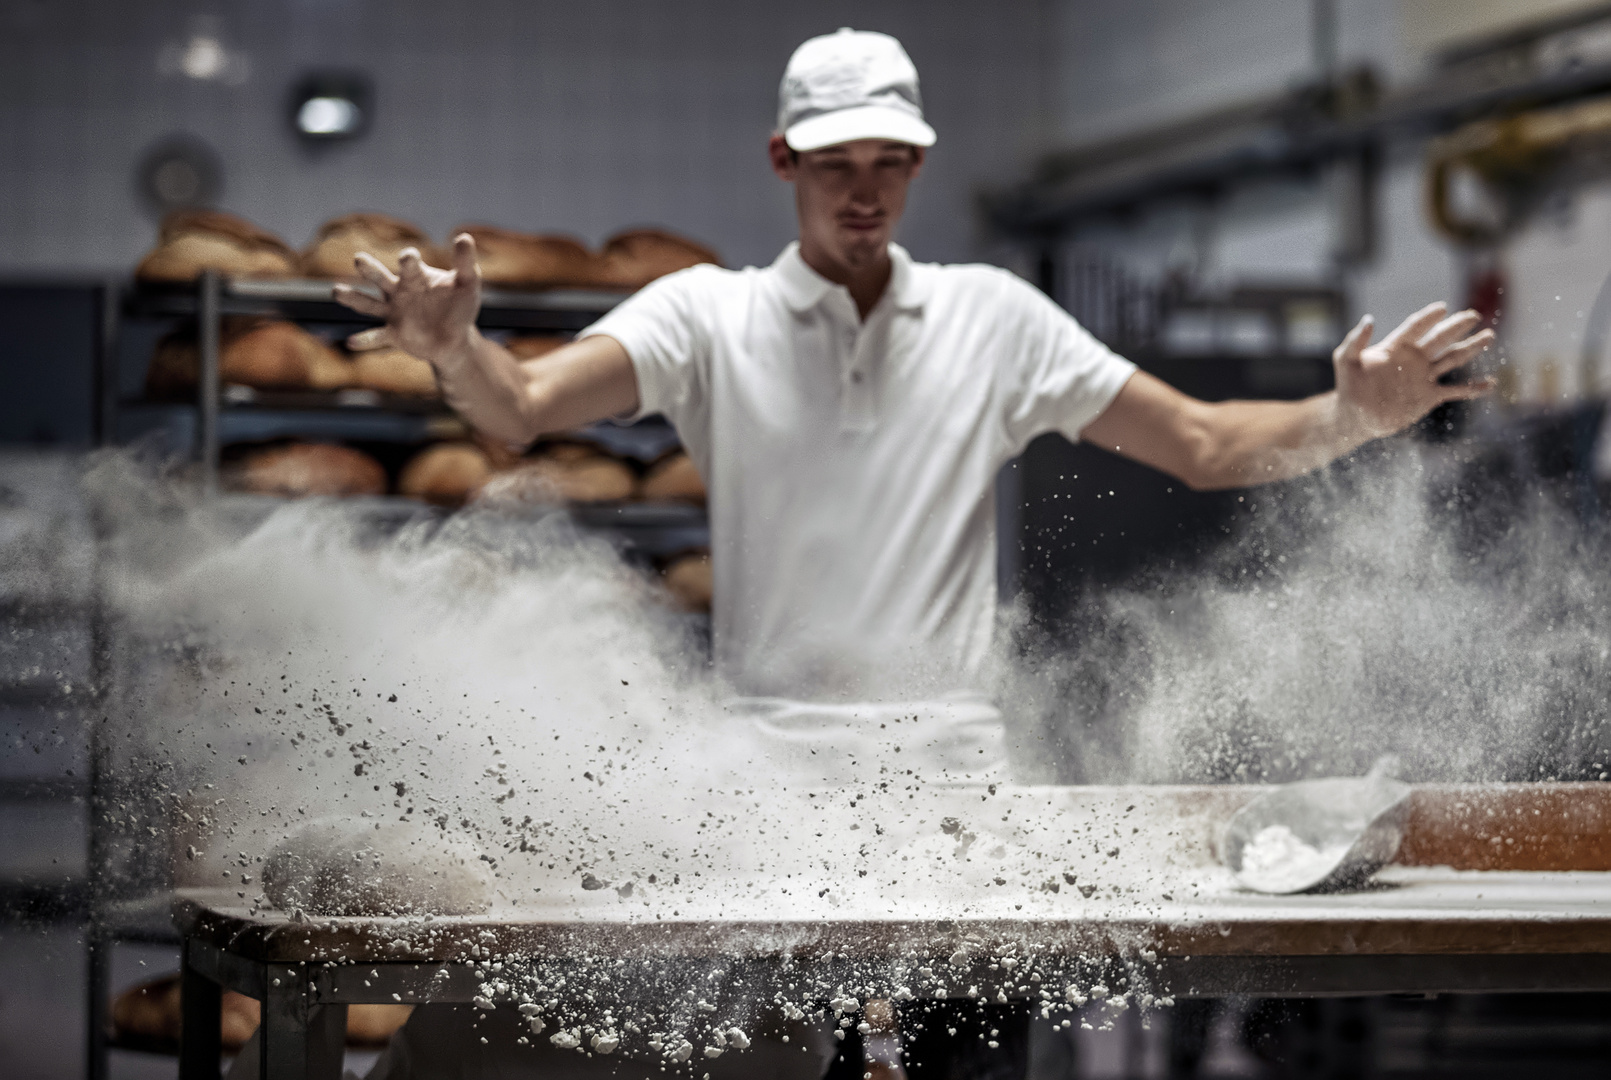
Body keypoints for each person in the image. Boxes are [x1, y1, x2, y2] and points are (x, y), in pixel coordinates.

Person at [326, 26, 1493, 1080]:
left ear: (919, 163)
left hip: (954, 810)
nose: (864, 191)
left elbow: (1201, 442)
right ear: (783, 160)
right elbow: (521, 405)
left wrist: (1355, 417)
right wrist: (453, 348)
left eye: (888, 162)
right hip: (759, 808)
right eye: (836, 164)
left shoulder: (995, 318)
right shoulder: (706, 318)